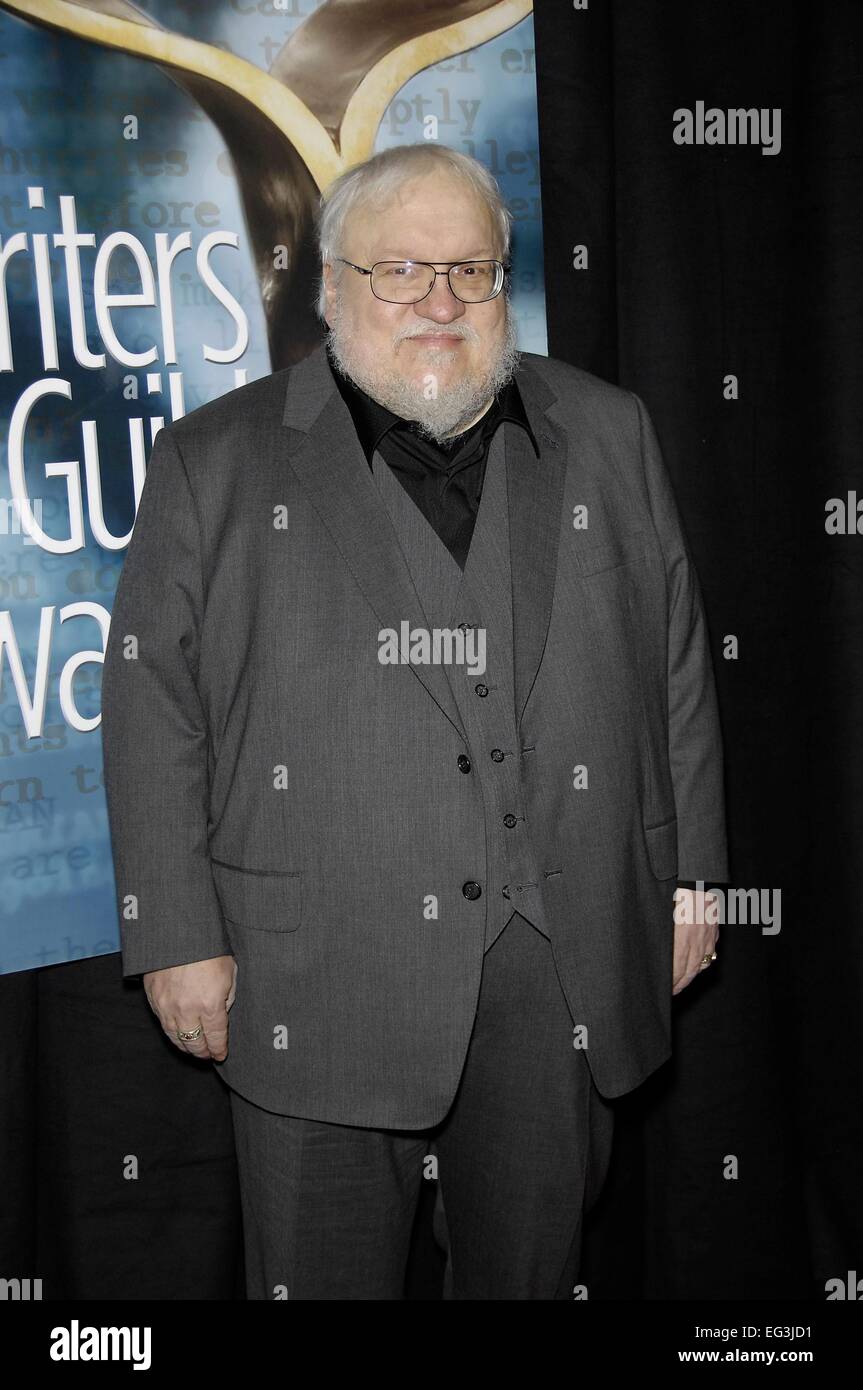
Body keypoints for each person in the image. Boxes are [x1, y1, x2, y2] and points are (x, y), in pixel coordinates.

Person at [101, 142, 727, 1300]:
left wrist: (687, 877)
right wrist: (176, 933)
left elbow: (673, 658)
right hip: (312, 975)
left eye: (469, 270)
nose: (438, 301)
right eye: (399, 270)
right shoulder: (212, 460)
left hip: (561, 961)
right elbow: (150, 704)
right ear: (332, 283)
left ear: (503, 282)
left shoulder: (605, 427)